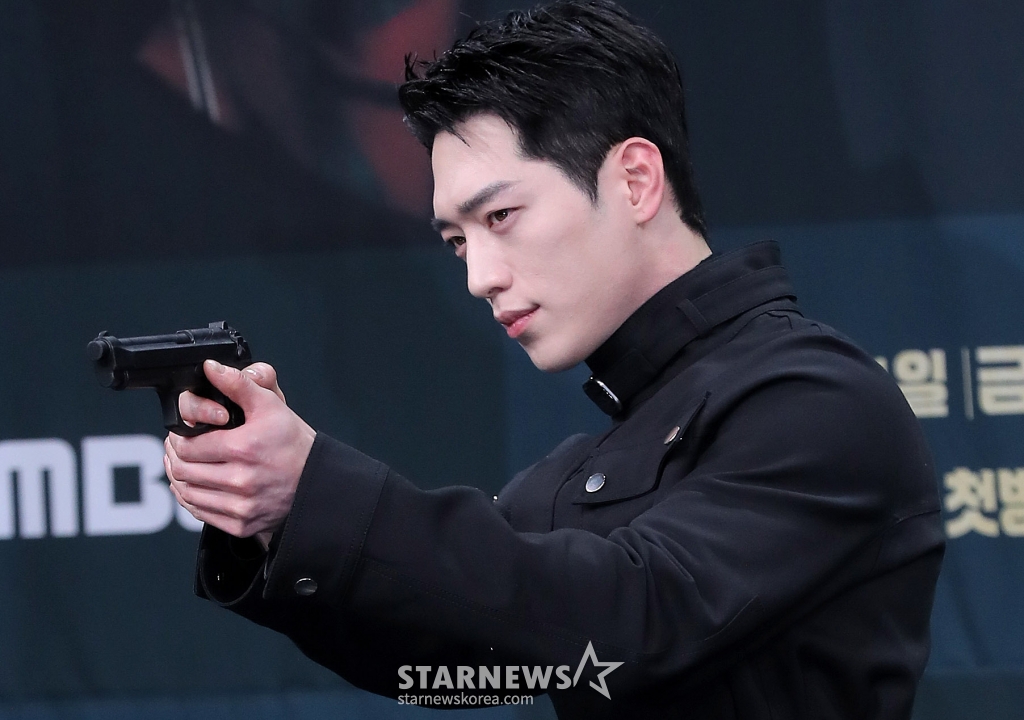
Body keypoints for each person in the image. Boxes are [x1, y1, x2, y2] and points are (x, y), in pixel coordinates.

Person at [163, 2, 944, 717]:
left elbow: (628, 623)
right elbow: (450, 661)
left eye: (501, 216)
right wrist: (279, 516)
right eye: (457, 241)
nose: (479, 276)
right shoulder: (577, 473)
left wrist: (315, 485)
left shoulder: (818, 399)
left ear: (636, 180)